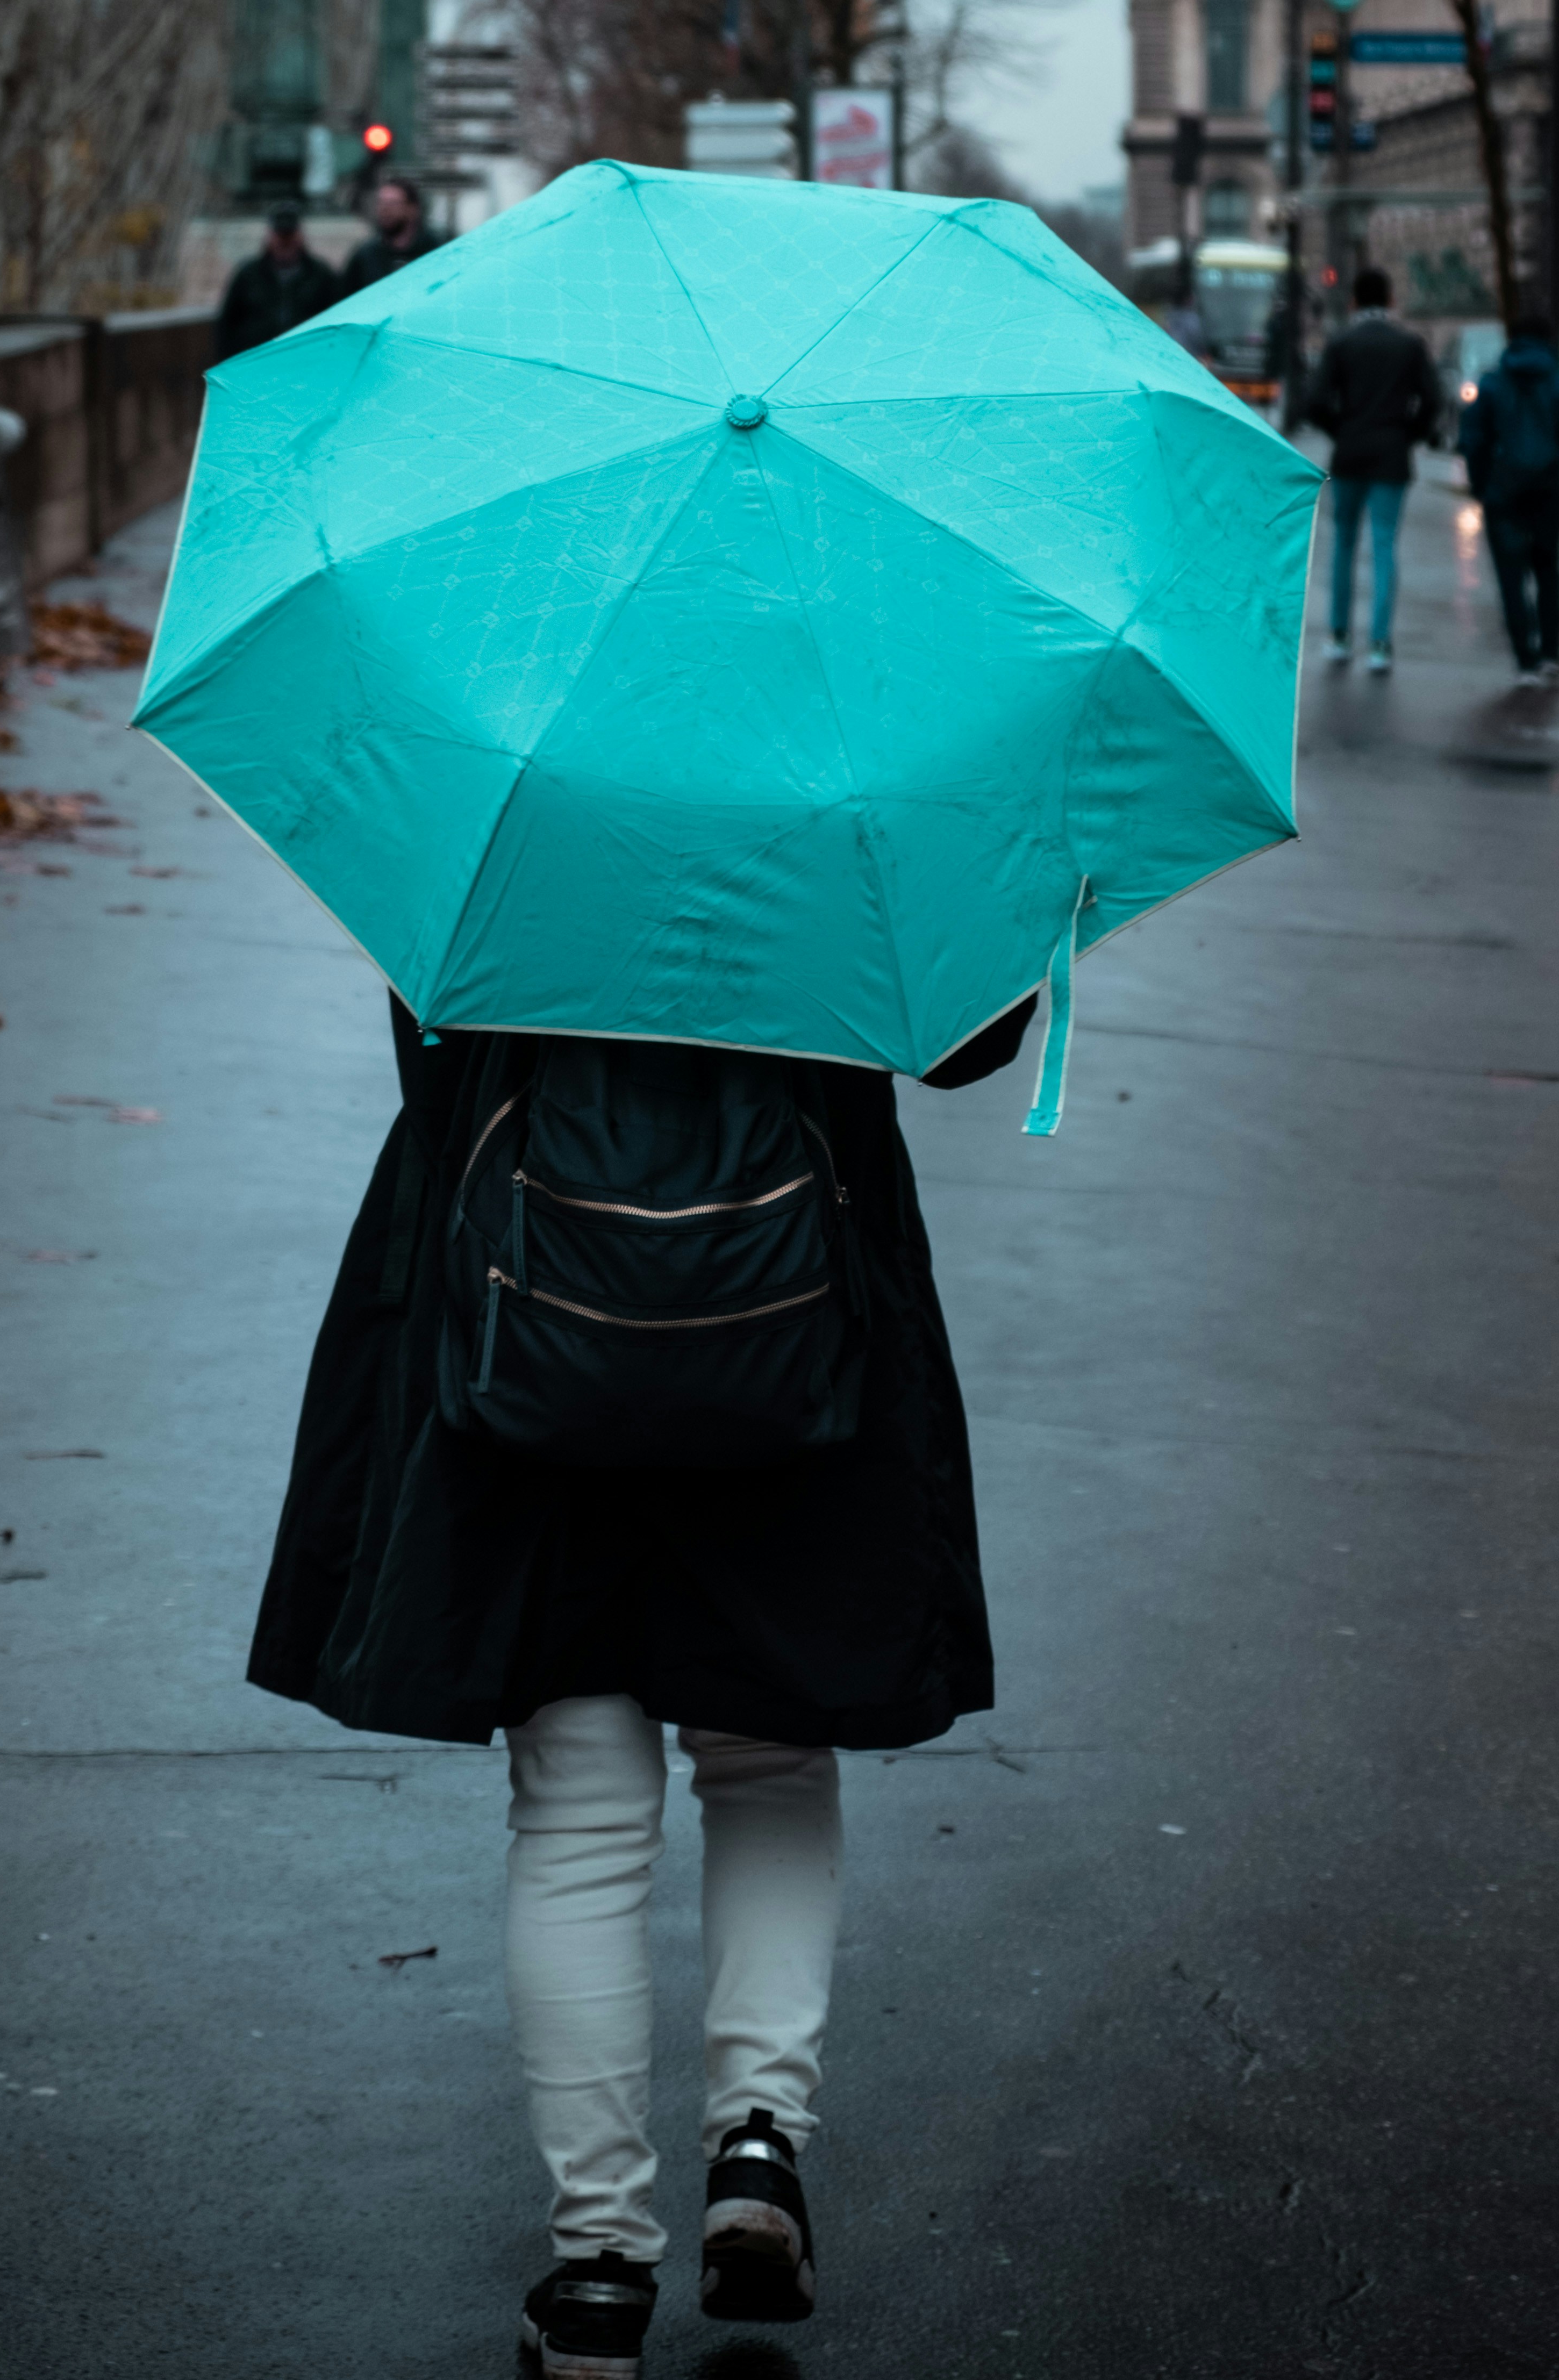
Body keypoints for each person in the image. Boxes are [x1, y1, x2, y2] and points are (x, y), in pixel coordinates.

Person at [248, 987, 1036, 2378]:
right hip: (794, 1314)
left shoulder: (507, 780)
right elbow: (970, 1035)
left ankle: (600, 2261)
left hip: (527, 1312)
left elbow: (432, 1032)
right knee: (771, 1751)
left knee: (578, 1803)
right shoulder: (846, 783)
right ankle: (757, 2142)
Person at [1305, 263, 1442, 672]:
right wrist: (1407, 436)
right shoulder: (1410, 345)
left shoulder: (1340, 343)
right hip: (1391, 458)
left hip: (1348, 456)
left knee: (1343, 546)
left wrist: (1341, 430)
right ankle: (1380, 643)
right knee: (1384, 547)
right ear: (1391, 301)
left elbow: (1314, 402)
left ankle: (1339, 636)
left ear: (1353, 302)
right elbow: (1434, 402)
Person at [1461, 312, 1559, 682]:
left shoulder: (1492, 384)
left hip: (1502, 490)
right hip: (1547, 487)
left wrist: (1479, 484)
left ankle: (1525, 657)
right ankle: (1551, 652)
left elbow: (1473, 439)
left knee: (1510, 575)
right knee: (1549, 570)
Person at [214, 203, 340, 363]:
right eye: (280, 235)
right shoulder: (248, 275)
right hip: (257, 365)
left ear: (300, 236)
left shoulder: (321, 275)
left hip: (307, 364)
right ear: (270, 236)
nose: (285, 242)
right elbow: (227, 324)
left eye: (290, 235)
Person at [340, 172, 436, 299]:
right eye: (382, 203)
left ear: (413, 209)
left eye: (393, 204)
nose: (385, 210)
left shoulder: (433, 250)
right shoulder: (366, 256)